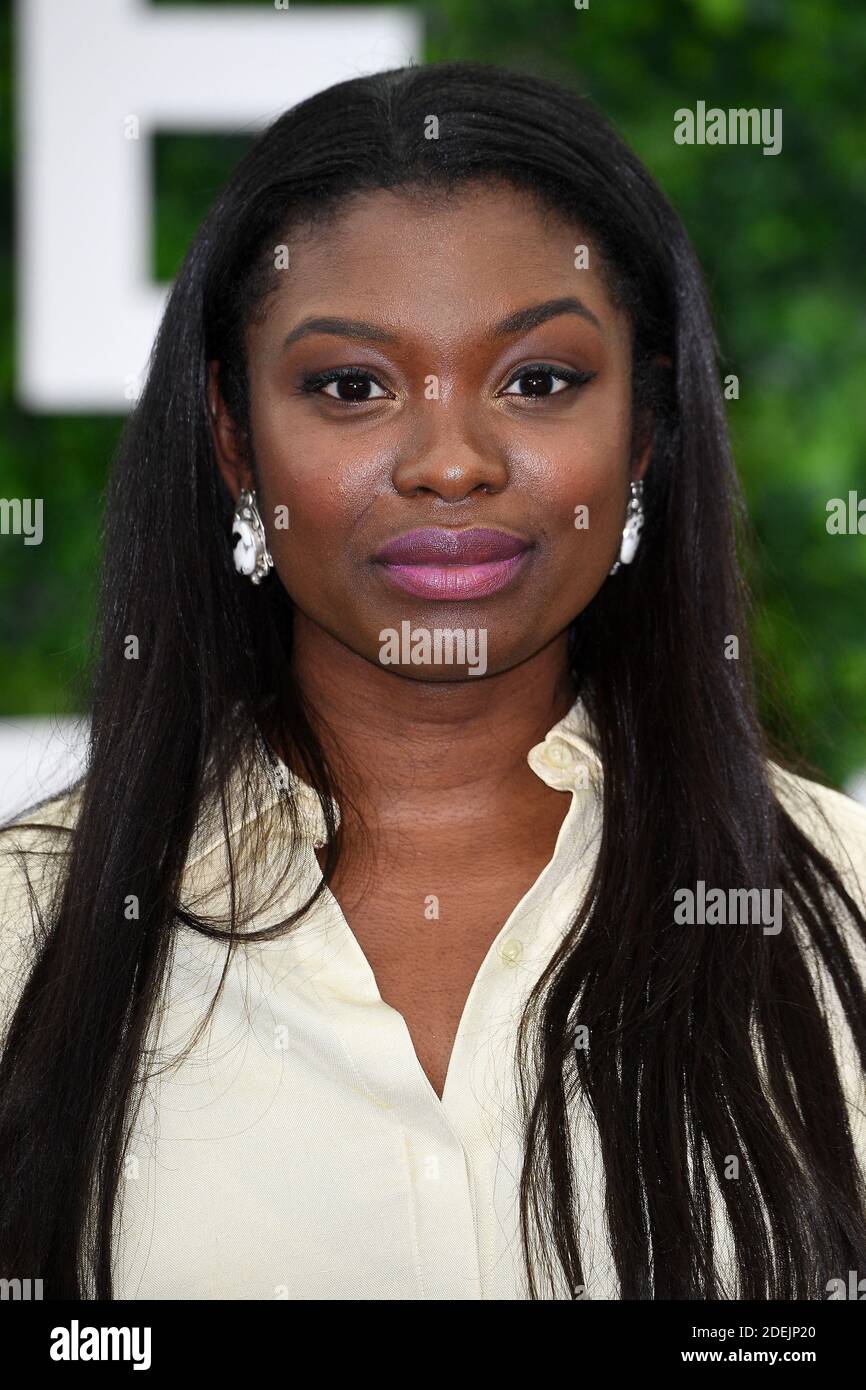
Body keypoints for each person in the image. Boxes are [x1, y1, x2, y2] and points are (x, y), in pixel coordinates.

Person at [1, 61, 864, 1301]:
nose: (449, 463)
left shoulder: (837, 909)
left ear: (647, 432)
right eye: (351, 386)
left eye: (537, 381)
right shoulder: (29, 944)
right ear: (235, 441)